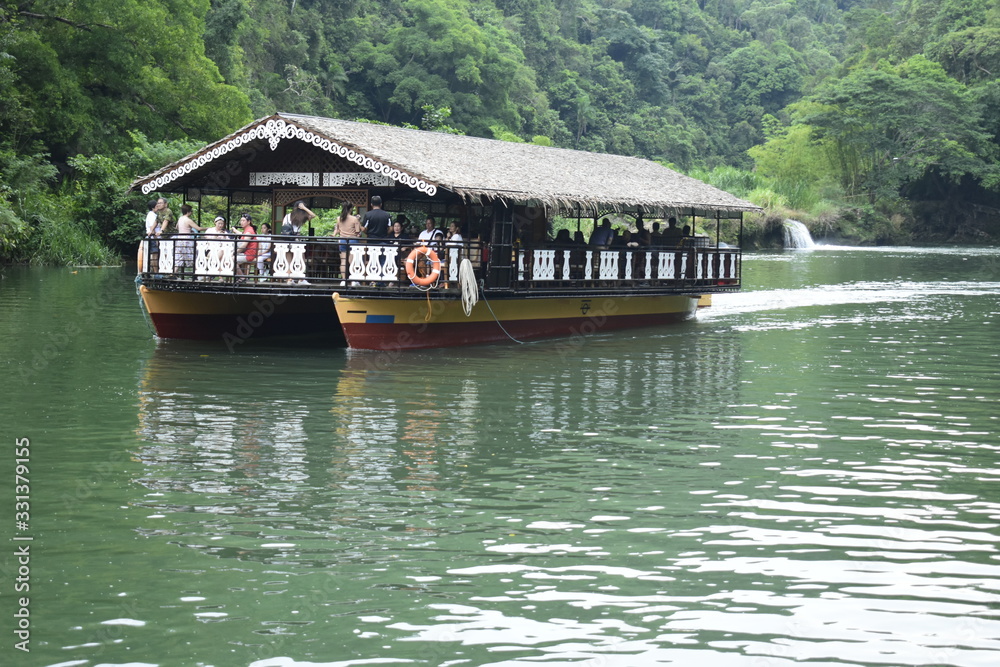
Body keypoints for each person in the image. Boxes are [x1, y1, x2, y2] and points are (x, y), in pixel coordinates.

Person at [332, 205, 363, 283]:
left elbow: (338, 229)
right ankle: (353, 280)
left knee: (343, 261)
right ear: (351, 209)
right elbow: (357, 231)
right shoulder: (355, 219)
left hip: (342, 240)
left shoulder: (339, 218)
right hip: (352, 240)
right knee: (352, 261)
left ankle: (343, 280)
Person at [175, 204, 207, 272]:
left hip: (179, 238)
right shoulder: (188, 220)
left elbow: (177, 227)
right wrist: (210, 228)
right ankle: (196, 273)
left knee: (179, 256)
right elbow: (199, 228)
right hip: (187, 239)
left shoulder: (180, 218)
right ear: (188, 212)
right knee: (192, 256)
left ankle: (174, 273)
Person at [236, 213, 258, 278]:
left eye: (243, 221)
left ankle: (242, 277)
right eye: (241, 220)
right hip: (245, 253)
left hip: (248, 254)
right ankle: (238, 277)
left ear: (248, 222)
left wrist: (235, 252)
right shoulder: (247, 230)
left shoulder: (249, 231)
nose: (241, 222)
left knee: (232, 259)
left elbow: (244, 245)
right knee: (229, 258)